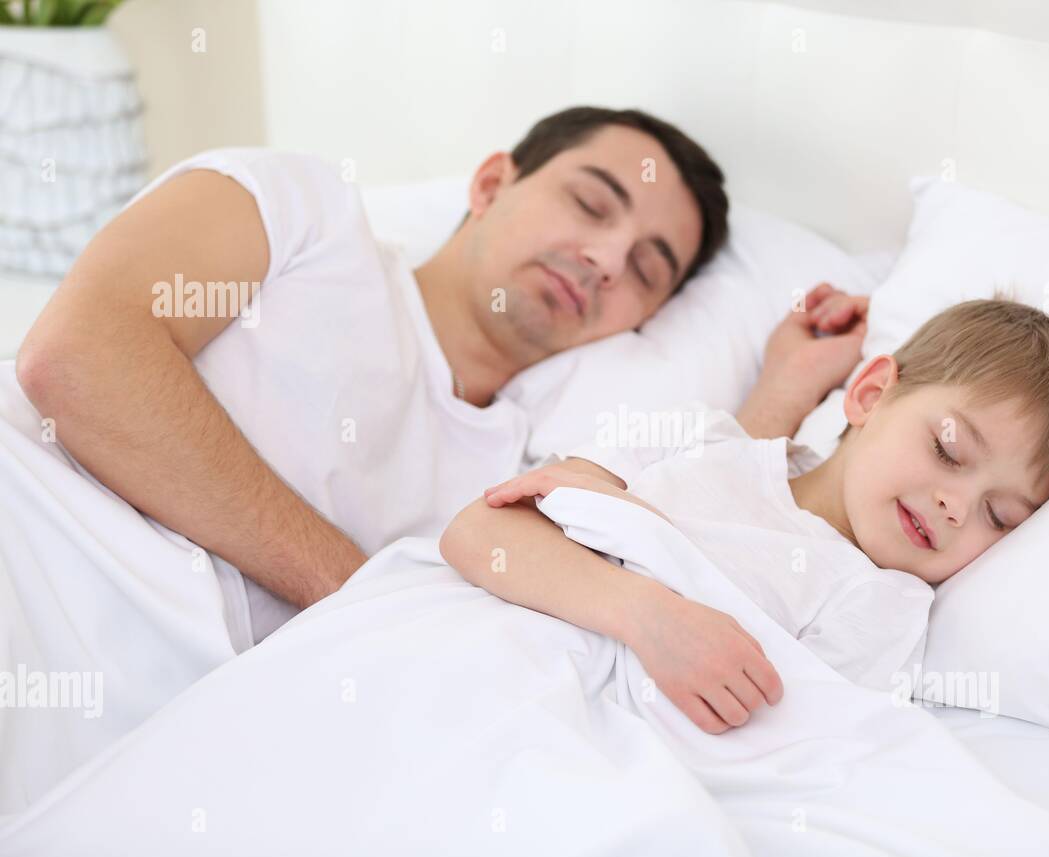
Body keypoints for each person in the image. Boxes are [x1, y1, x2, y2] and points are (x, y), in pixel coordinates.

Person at [14, 106, 864, 648]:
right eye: (592, 204)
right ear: (493, 181)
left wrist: (785, 388)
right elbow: (77, 354)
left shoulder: (512, 493)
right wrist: (357, 598)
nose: (607, 259)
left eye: (648, 267)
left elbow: (687, 545)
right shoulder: (305, 214)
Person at [440, 298, 1049, 734]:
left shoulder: (883, 606)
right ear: (868, 393)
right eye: (949, 450)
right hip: (480, 669)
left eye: (1000, 517)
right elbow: (479, 532)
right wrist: (648, 612)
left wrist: (622, 535)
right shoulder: (697, 441)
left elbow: (788, 744)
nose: (957, 506)